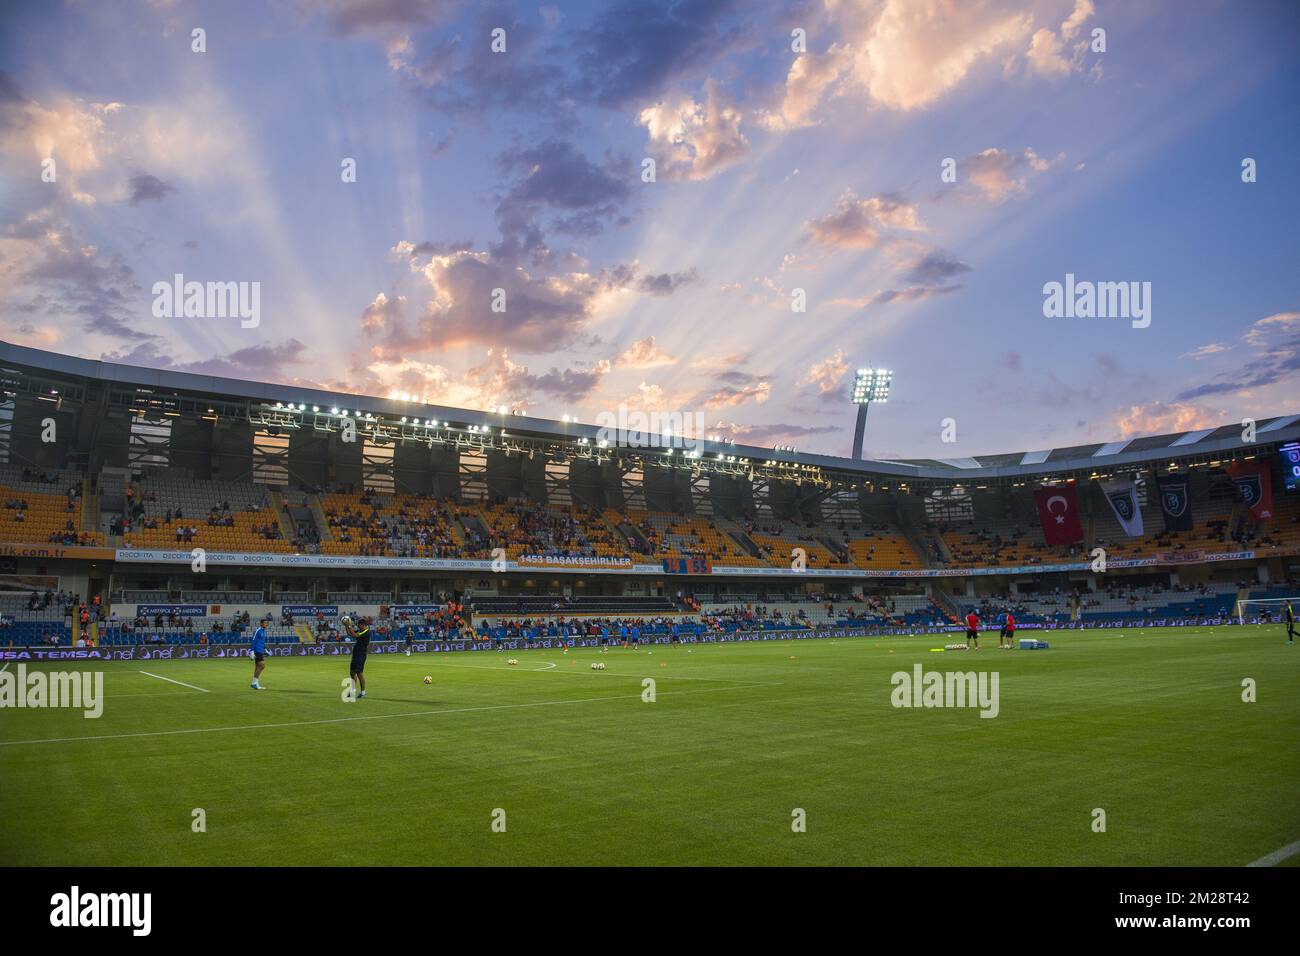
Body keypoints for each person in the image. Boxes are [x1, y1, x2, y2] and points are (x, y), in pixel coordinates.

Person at [343, 616, 371, 699]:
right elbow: (350, 634)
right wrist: (346, 625)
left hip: (361, 655)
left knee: (359, 673)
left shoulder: (366, 632)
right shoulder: (361, 630)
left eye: (359, 625)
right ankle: (352, 691)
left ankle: (363, 692)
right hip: (356, 654)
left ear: (363, 625)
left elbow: (355, 635)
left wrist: (349, 625)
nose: (358, 626)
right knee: (352, 673)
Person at [249, 616, 269, 690]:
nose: (266, 624)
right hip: (257, 650)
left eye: (267, 623)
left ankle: (255, 684)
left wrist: (265, 649)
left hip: (260, 650)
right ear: (261, 624)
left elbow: (262, 642)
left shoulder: (264, 631)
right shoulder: (258, 630)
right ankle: (254, 683)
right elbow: (253, 640)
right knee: (262, 665)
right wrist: (251, 651)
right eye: (265, 623)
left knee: (257, 667)